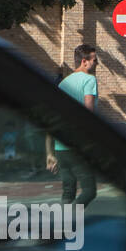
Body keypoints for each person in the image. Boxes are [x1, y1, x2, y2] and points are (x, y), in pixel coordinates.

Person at [46, 44, 98, 206]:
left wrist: (49, 152)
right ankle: (71, 218)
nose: (97, 64)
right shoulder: (90, 80)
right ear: (84, 61)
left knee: (68, 190)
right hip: (78, 146)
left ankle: (64, 226)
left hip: (60, 147)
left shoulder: (63, 83)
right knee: (89, 191)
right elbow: (88, 114)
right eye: (95, 60)